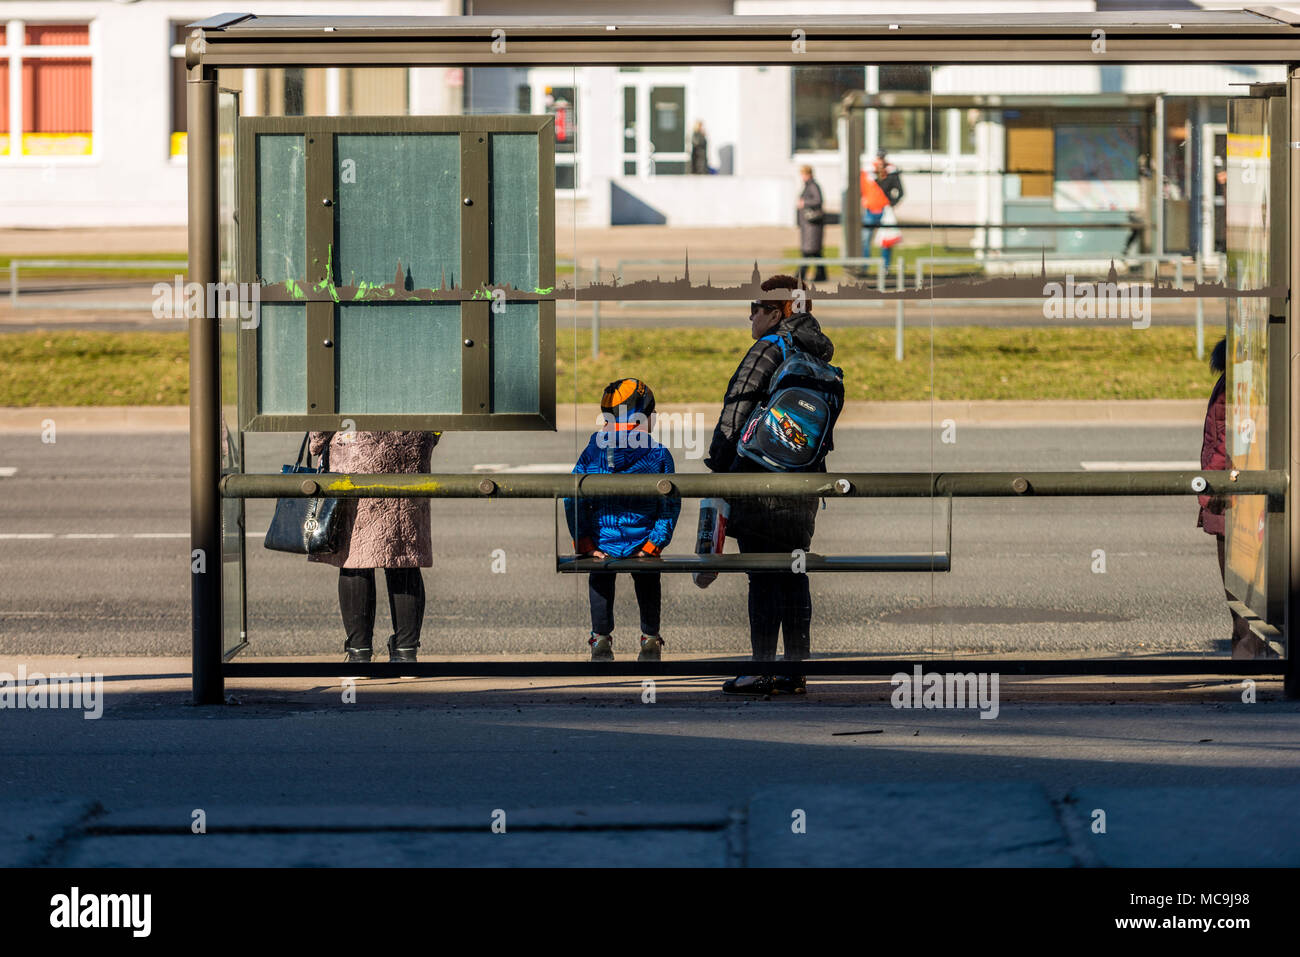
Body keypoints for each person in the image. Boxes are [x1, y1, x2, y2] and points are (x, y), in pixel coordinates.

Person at [706, 275, 835, 695]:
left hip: (761, 484)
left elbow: (738, 406)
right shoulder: (817, 354)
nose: (750, 317)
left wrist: (719, 468)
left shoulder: (768, 348)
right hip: (804, 487)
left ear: (776, 312)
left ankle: (760, 667)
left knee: (762, 575)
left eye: (756, 309)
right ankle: (795, 671)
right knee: (794, 574)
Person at [564, 378, 681, 662]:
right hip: (644, 542)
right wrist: (655, 543)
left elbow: (573, 497)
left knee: (600, 579)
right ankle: (650, 638)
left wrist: (584, 541)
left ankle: (600, 639)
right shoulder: (658, 456)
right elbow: (670, 504)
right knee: (648, 581)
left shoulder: (593, 453)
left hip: (601, 542)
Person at [308, 429, 440, 664]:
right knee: (403, 554)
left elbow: (325, 406)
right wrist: (426, 436)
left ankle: (359, 653)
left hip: (358, 450)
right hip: (409, 450)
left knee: (356, 556)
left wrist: (317, 440)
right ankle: (406, 652)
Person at [1197, 338, 1276, 659]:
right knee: (1248, 591)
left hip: (1230, 499)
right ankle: (1256, 652)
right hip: (1238, 498)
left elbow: (1227, 443)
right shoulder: (1243, 383)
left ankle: (1247, 659)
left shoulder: (1234, 386)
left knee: (1240, 595)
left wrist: (1212, 486)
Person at [860, 154, 894, 272]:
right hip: (870, 210)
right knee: (865, 240)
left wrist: (891, 203)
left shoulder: (890, 173)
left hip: (884, 211)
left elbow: (899, 191)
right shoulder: (868, 174)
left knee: (885, 240)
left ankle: (885, 267)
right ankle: (864, 266)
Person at [796, 165, 827, 284]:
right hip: (809, 225)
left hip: (812, 225)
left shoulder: (813, 185)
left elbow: (818, 200)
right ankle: (821, 274)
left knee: (808, 251)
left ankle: (800, 274)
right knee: (815, 251)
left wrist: (804, 202)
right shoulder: (809, 185)